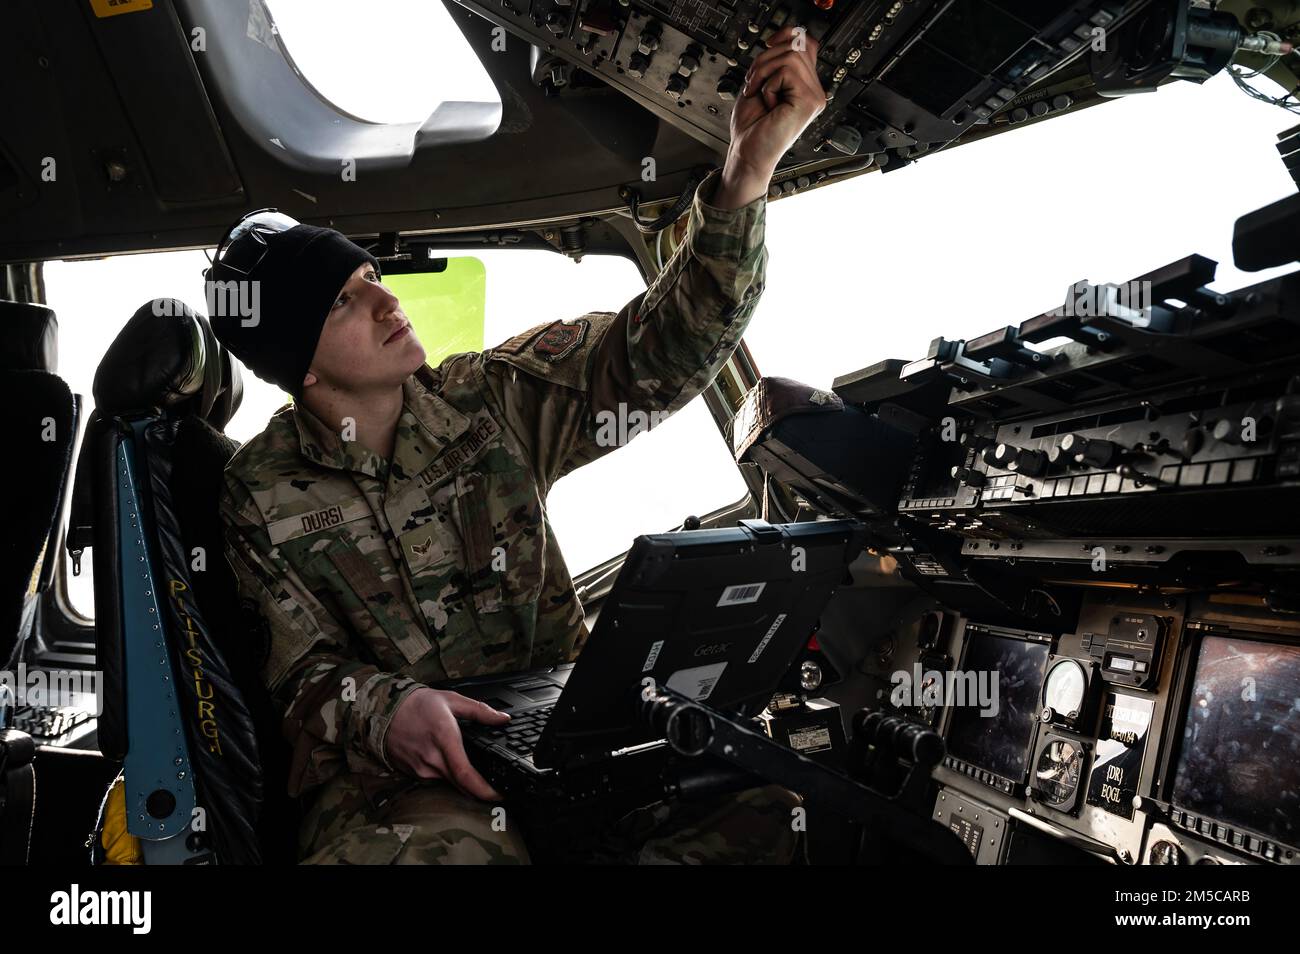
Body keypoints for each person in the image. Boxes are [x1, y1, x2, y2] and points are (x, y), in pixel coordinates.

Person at [215, 25, 827, 863]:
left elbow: (661, 348)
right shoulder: (261, 491)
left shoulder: (486, 397)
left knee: (773, 813)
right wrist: (389, 712)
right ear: (300, 367)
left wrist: (747, 169)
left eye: (370, 278)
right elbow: (296, 675)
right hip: (402, 782)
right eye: (343, 303)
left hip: (562, 734)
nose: (386, 302)